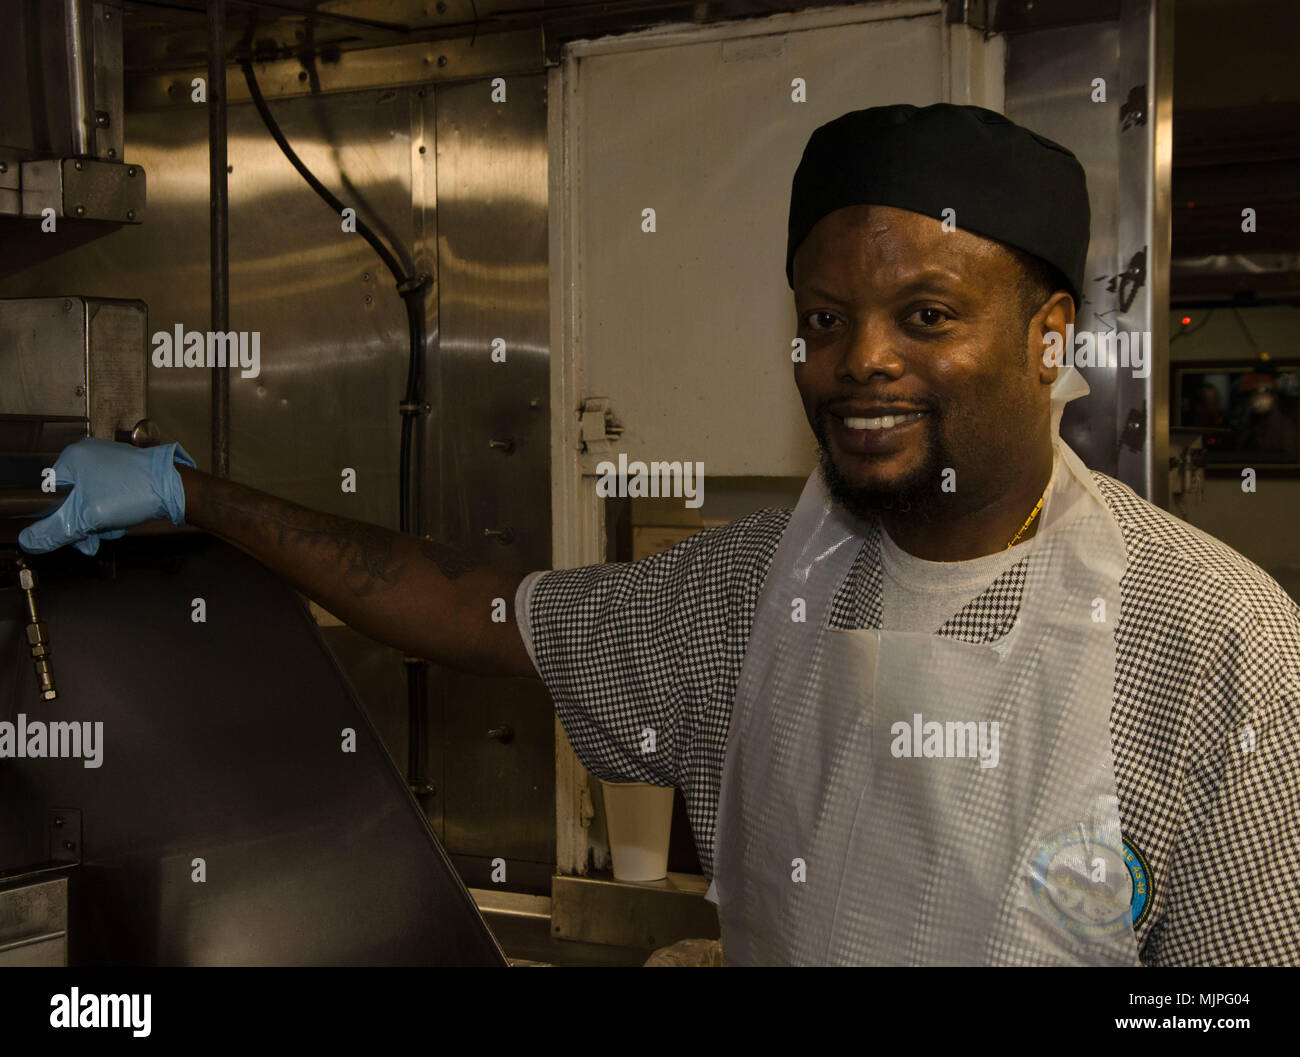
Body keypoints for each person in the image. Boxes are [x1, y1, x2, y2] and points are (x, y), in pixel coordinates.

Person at [20, 104, 1299, 966]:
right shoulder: (757, 594)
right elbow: (473, 606)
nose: (859, 362)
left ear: (1048, 335)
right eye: (821, 317)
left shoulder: (1210, 638)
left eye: (925, 315)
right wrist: (194, 495)